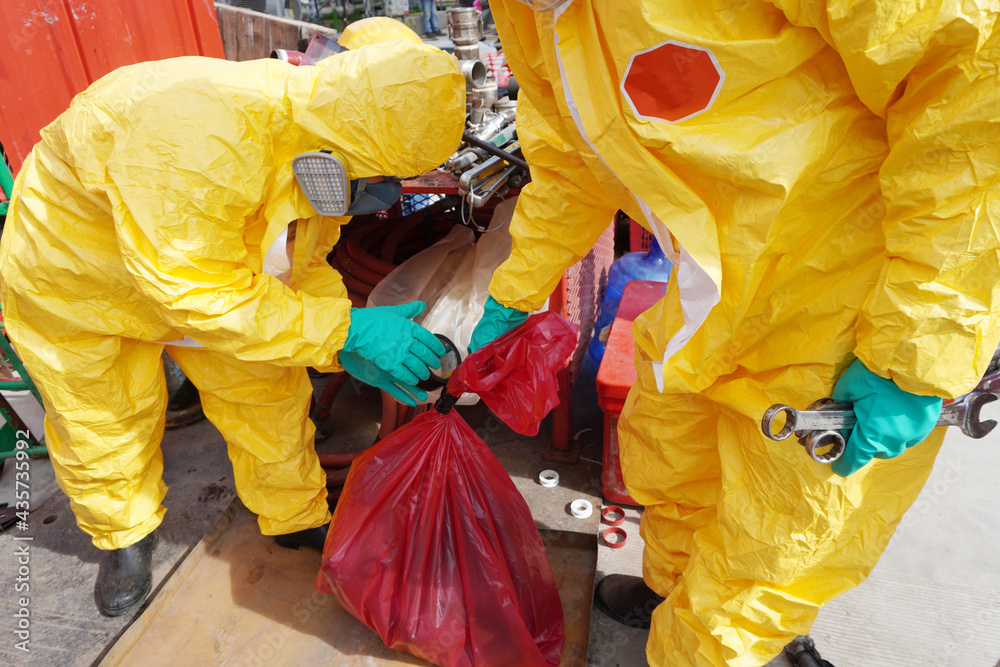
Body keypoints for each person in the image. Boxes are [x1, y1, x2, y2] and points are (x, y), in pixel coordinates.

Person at [470, 1, 1000, 665]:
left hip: (844, 302)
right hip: (709, 291)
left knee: (768, 556)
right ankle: (668, 592)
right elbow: (572, 160)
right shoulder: (531, 12)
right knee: (671, 462)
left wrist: (916, 347)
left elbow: (969, 77)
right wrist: (516, 290)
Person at [0, 20, 465, 617]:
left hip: (203, 277)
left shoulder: (326, 140)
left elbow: (300, 262)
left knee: (267, 390)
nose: (377, 189)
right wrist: (345, 330)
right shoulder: (196, 131)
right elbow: (194, 292)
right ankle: (124, 538)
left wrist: (338, 340)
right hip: (80, 275)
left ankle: (293, 515)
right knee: (102, 416)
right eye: (376, 177)